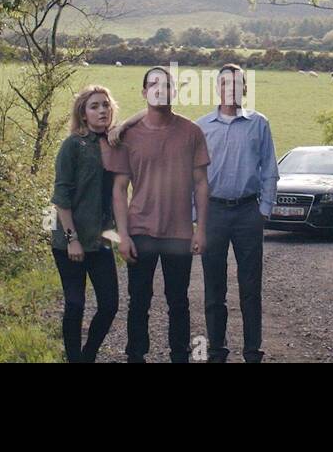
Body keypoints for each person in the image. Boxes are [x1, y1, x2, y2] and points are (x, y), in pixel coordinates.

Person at [112, 64, 276, 362]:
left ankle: (247, 352)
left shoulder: (246, 125)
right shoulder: (193, 127)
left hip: (232, 216)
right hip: (183, 220)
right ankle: (209, 351)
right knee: (197, 292)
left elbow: (265, 172)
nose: (231, 90)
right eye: (225, 84)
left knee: (239, 289)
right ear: (217, 89)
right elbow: (124, 185)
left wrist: (262, 211)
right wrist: (124, 234)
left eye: (237, 84)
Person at [104, 66, 211, 363]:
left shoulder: (192, 132)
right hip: (140, 231)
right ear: (144, 92)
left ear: (174, 92)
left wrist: (200, 229)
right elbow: (119, 189)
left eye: (165, 85)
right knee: (139, 301)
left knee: (178, 303)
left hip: (179, 233)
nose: (159, 90)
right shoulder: (129, 136)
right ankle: (135, 355)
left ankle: (180, 356)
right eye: (152, 84)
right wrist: (122, 236)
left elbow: (202, 184)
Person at [50, 85, 120, 363]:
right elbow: (61, 196)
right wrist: (72, 238)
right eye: (94, 106)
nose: (102, 110)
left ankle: (87, 356)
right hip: (70, 241)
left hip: (101, 239)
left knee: (110, 305)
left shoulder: (115, 144)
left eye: (106, 105)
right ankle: (73, 358)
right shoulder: (73, 145)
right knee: (75, 304)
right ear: (83, 113)